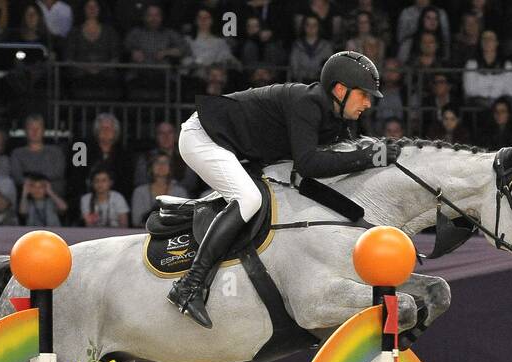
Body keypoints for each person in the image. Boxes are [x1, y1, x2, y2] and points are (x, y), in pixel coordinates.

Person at [169, 50, 398, 328]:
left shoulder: (337, 121)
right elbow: (309, 164)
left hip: (239, 149)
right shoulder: (306, 102)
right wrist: (370, 157)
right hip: (204, 137)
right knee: (249, 198)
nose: (368, 103)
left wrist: (364, 222)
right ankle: (189, 286)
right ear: (340, 90)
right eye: (364, 94)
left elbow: (311, 180)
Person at [10, 113, 68, 198]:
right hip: (27, 200)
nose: (35, 131)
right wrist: (40, 180)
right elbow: (17, 177)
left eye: (38, 128)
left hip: (54, 198)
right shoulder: (17, 153)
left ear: (43, 130)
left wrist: (30, 176)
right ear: (26, 131)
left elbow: (58, 173)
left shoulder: (56, 151)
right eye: (31, 128)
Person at [132, 153, 189, 224]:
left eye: (165, 163)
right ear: (150, 167)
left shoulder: (180, 192)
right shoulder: (139, 192)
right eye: (157, 162)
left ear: (171, 168)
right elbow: (136, 221)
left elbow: (184, 219)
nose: (161, 166)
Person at [463, 30, 512, 106]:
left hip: (501, 106)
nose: (487, 41)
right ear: (480, 43)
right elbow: (470, 91)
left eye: (490, 39)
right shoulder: (471, 64)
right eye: (484, 39)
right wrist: (489, 100)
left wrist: (495, 101)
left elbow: (510, 91)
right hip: (477, 105)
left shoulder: (507, 65)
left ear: (497, 42)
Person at [289, 14, 337, 83]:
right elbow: (294, 67)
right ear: (304, 26)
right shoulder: (297, 45)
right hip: (300, 83)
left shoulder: (326, 46)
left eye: (314, 25)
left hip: (320, 84)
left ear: (319, 27)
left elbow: (330, 67)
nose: (311, 28)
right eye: (308, 25)